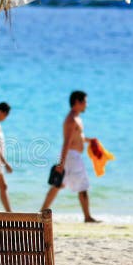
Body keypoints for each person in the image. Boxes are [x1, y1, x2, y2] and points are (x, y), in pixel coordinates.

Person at [41, 91, 100, 222]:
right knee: (83, 186)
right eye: (85, 102)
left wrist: (90, 140)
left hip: (72, 156)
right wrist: (61, 164)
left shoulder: (77, 118)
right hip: (72, 157)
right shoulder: (71, 120)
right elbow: (67, 142)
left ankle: (41, 213)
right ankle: (87, 217)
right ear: (77, 102)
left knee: (58, 185)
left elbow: (78, 138)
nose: (86, 105)